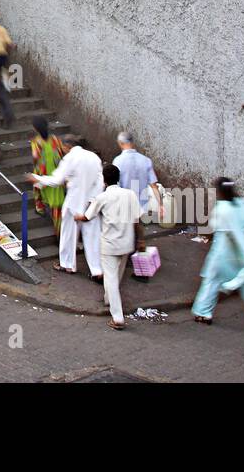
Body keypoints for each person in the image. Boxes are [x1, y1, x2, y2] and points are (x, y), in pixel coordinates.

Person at [192, 177, 244, 336]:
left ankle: (203, 313)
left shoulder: (221, 208)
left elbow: (214, 228)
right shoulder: (243, 204)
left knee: (212, 280)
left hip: (224, 252)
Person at [27, 140, 103, 279]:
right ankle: (97, 270)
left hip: (74, 202)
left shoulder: (70, 157)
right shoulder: (94, 157)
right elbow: (99, 181)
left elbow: (57, 180)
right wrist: (94, 200)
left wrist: (37, 178)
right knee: (92, 236)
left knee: (68, 233)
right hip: (91, 202)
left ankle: (67, 264)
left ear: (67, 147)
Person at [82, 163, 144, 330]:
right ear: (118, 178)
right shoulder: (130, 194)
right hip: (127, 243)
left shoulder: (102, 197)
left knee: (111, 279)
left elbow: (87, 217)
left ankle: (118, 317)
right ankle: (109, 299)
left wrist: (77, 216)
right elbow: (137, 220)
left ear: (104, 180)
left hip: (110, 244)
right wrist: (141, 241)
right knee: (117, 276)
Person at [27, 117, 67, 234]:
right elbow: (61, 153)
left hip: (43, 173)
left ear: (36, 128)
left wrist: (36, 168)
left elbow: (35, 157)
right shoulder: (55, 139)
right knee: (56, 202)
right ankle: (58, 229)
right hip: (56, 171)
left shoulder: (36, 142)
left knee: (37, 188)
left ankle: (40, 208)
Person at [113, 132, 161, 223]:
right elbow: (154, 186)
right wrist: (161, 205)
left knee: (128, 232)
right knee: (138, 230)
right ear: (132, 142)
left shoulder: (117, 161)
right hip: (142, 208)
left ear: (120, 143)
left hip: (125, 206)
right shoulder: (146, 160)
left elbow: (116, 186)